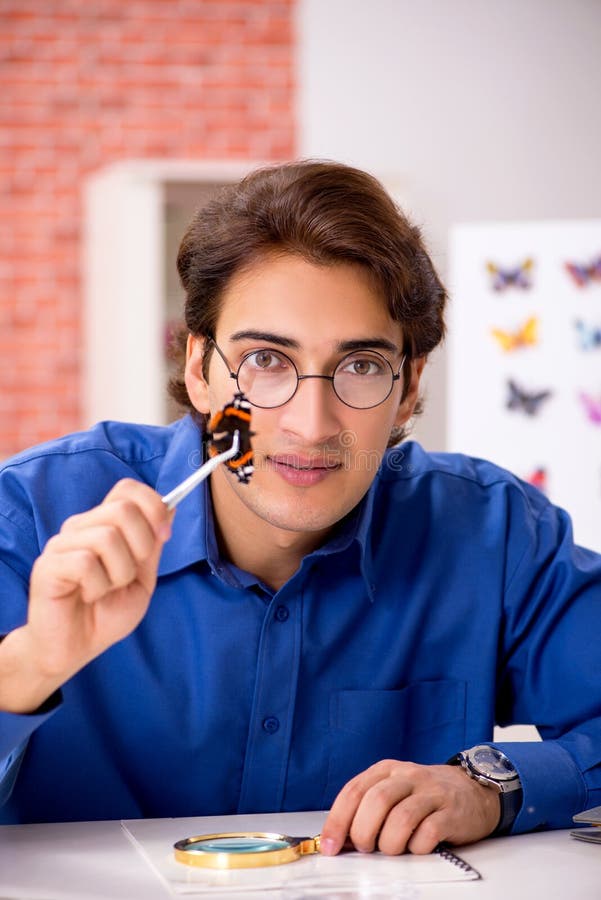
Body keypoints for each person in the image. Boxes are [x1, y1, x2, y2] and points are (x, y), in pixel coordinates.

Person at [0, 161, 599, 856]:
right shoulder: (31, 515)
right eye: (264, 361)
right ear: (200, 371)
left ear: (408, 389)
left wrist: (494, 786)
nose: (310, 425)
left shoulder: (491, 535)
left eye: (362, 367)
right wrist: (30, 665)